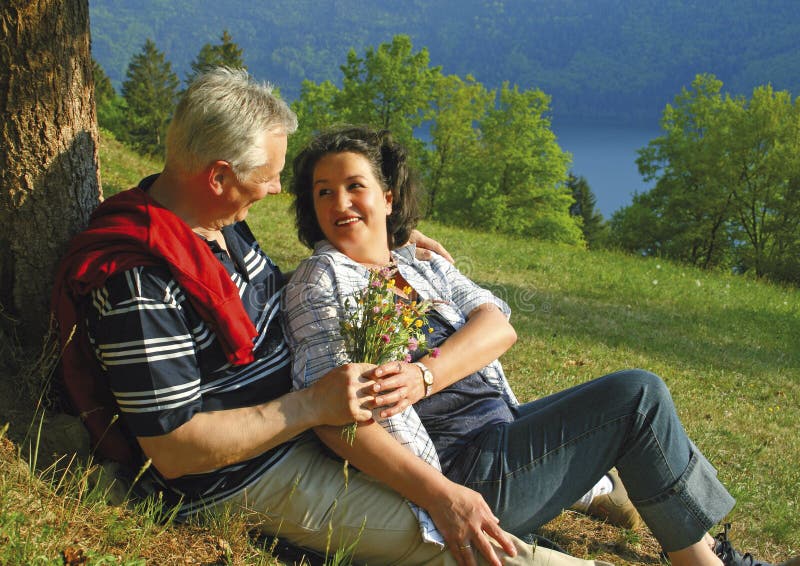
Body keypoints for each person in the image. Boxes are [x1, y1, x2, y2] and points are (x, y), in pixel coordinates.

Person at [52, 68, 613, 566]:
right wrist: (311, 404)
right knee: (459, 540)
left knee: (448, 495)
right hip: (249, 472)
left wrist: (388, 242)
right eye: (266, 176)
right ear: (218, 176)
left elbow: (272, 298)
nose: (275, 189)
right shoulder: (139, 286)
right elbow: (174, 449)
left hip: (311, 428)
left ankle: (585, 487)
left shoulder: (215, 224)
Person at [283, 125, 797, 566]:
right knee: (636, 398)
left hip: (503, 431)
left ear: (388, 197)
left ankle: (703, 548)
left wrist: (424, 375)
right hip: (467, 472)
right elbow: (335, 416)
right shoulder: (320, 279)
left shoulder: (419, 263)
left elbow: (498, 325)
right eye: (323, 192)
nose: (340, 203)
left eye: (355, 186)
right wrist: (441, 497)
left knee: (637, 406)